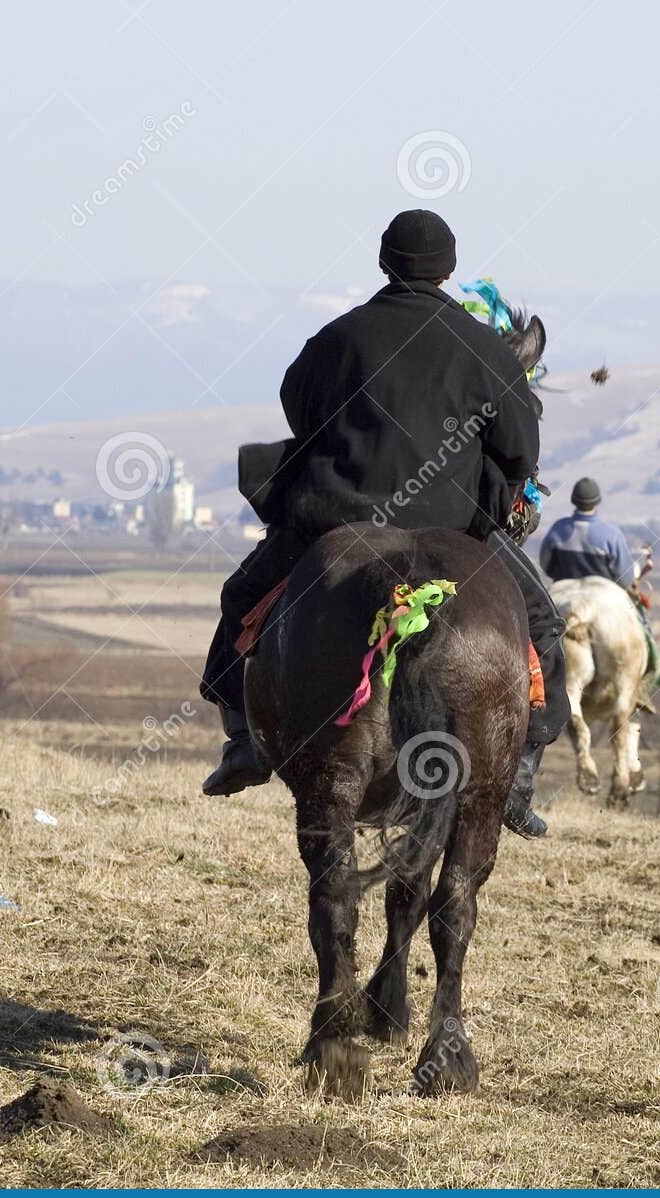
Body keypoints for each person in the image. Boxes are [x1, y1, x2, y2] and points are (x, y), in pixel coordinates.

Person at [198, 209, 568, 838]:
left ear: (383, 263)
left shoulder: (337, 338)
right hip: (457, 529)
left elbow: (299, 408)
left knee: (242, 599)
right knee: (543, 628)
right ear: (450, 272)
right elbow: (519, 451)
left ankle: (243, 740)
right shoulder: (483, 350)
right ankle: (522, 771)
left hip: (335, 518)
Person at [539, 477, 660, 697]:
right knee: (639, 617)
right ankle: (656, 668)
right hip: (606, 591)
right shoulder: (610, 534)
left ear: (574, 501)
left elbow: (546, 563)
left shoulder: (558, 529)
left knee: (533, 623)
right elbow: (626, 578)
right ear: (596, 502)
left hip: (562, 590)